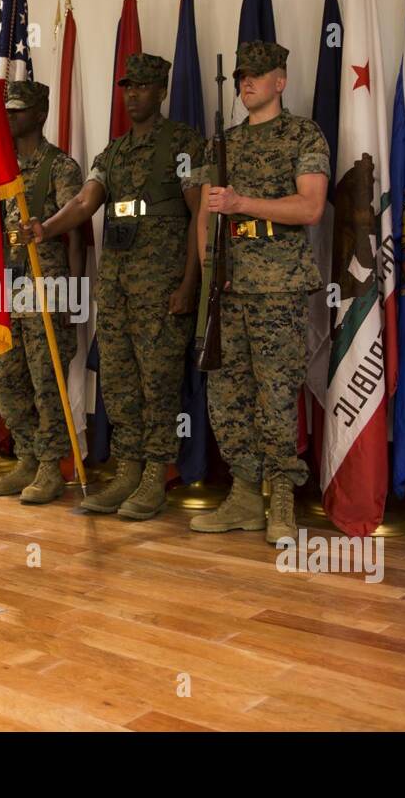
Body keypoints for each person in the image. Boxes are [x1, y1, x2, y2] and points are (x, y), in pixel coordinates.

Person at [20, 53, 205, 520]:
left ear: (161, 91)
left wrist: (189, 284)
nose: (133, 95)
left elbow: (201, 216)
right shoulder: (113, 152)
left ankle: (153, 478)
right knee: (120, 383)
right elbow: (85, 202)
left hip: (161, 290)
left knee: (158, 383)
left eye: (142, 87)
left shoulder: (181, 144)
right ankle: (126, 470)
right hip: (118, 290)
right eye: (127, 87)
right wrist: (47, 228)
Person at [188, 40, 329, 544]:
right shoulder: (221, 143)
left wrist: (244, 202)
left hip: (276, 286)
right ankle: (245, 495)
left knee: (274, 397)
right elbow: (206, 213)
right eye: (241, 75)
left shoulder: (301, 134)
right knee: (227, 397)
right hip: (227, 287)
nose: (247, 82)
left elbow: (311, 207)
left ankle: (283, 501)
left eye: (258, 74)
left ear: (280, 80)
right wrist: (209, 274)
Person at [0, 80, 83, 504]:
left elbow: (74, 229)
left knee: (46, 382)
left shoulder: (60, 167)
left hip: (47, 288)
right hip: (5, 288)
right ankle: (25, 458)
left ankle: (48, 467)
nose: (9, 117)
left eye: (18, 111)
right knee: (7, 381)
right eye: (6, 110)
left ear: (39, 114)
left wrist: (73, 297)